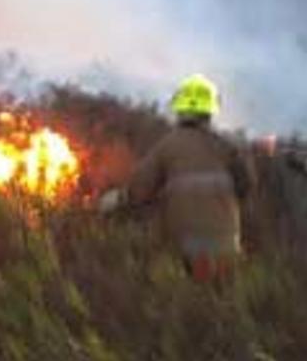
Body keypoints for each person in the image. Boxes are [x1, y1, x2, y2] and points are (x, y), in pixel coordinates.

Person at [98, 74, 254, 282]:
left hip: (184, 251)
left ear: (180, 109)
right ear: (210, 111)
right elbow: (248, 184)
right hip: (227, 247)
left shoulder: (167, 147)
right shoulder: (228, 147)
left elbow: (139, 191)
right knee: (224, 304)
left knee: (169, 291)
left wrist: (114, 200)